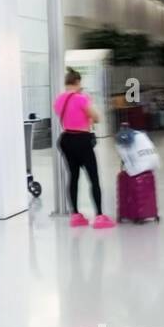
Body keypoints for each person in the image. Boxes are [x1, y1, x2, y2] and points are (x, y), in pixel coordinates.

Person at [54, 68, 115, 229]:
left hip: (66, 140)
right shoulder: (82, 98)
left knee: (73, 177)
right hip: (82, 140)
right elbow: (97, 117)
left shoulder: (59, 100)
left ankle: (75, 215)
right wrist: (88, 103)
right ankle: (100, 216)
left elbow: (63, 115)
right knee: (93, 178)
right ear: (78, 82)